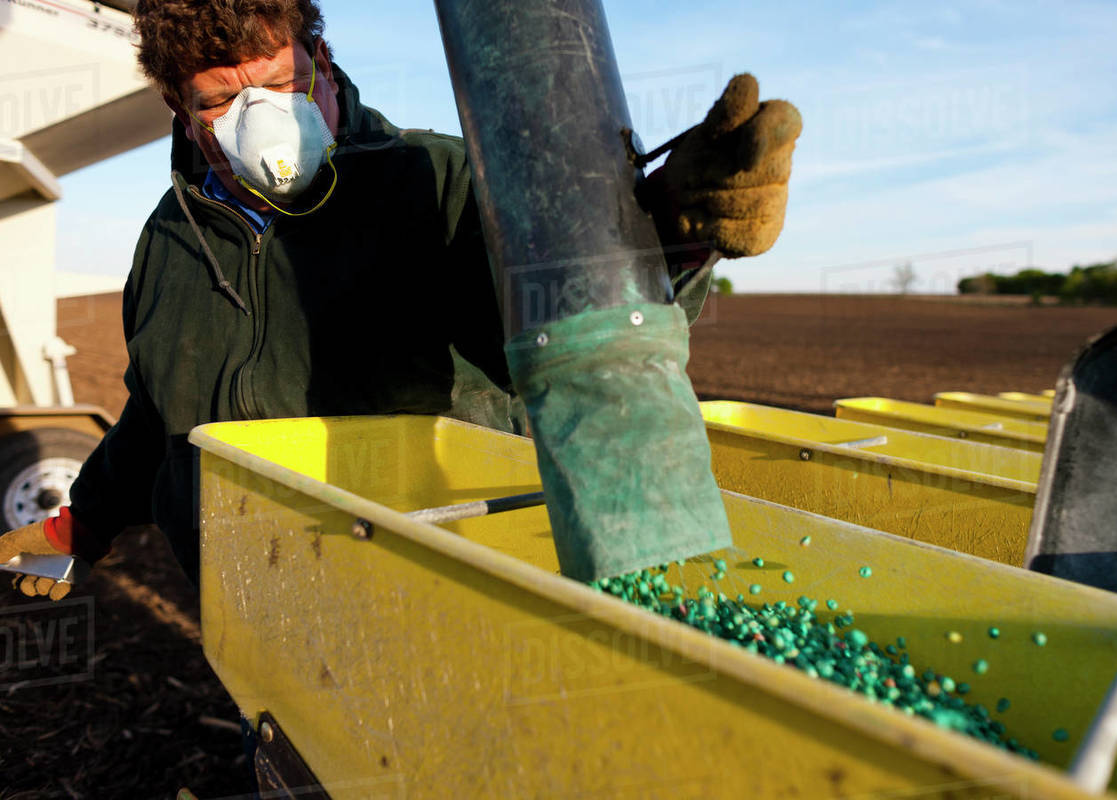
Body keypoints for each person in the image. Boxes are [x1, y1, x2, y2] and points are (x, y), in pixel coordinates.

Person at [0, 0, 802, 595]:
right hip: (253, 605)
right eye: (216, 103)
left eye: (278, 84)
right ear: (178, 106)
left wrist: (675, 240)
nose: (259, 124)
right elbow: (155, 414)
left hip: (440, 585)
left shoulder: (446, 183)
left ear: (318, 56)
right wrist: (85, 521)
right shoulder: (169, 240)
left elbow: (573, 318)